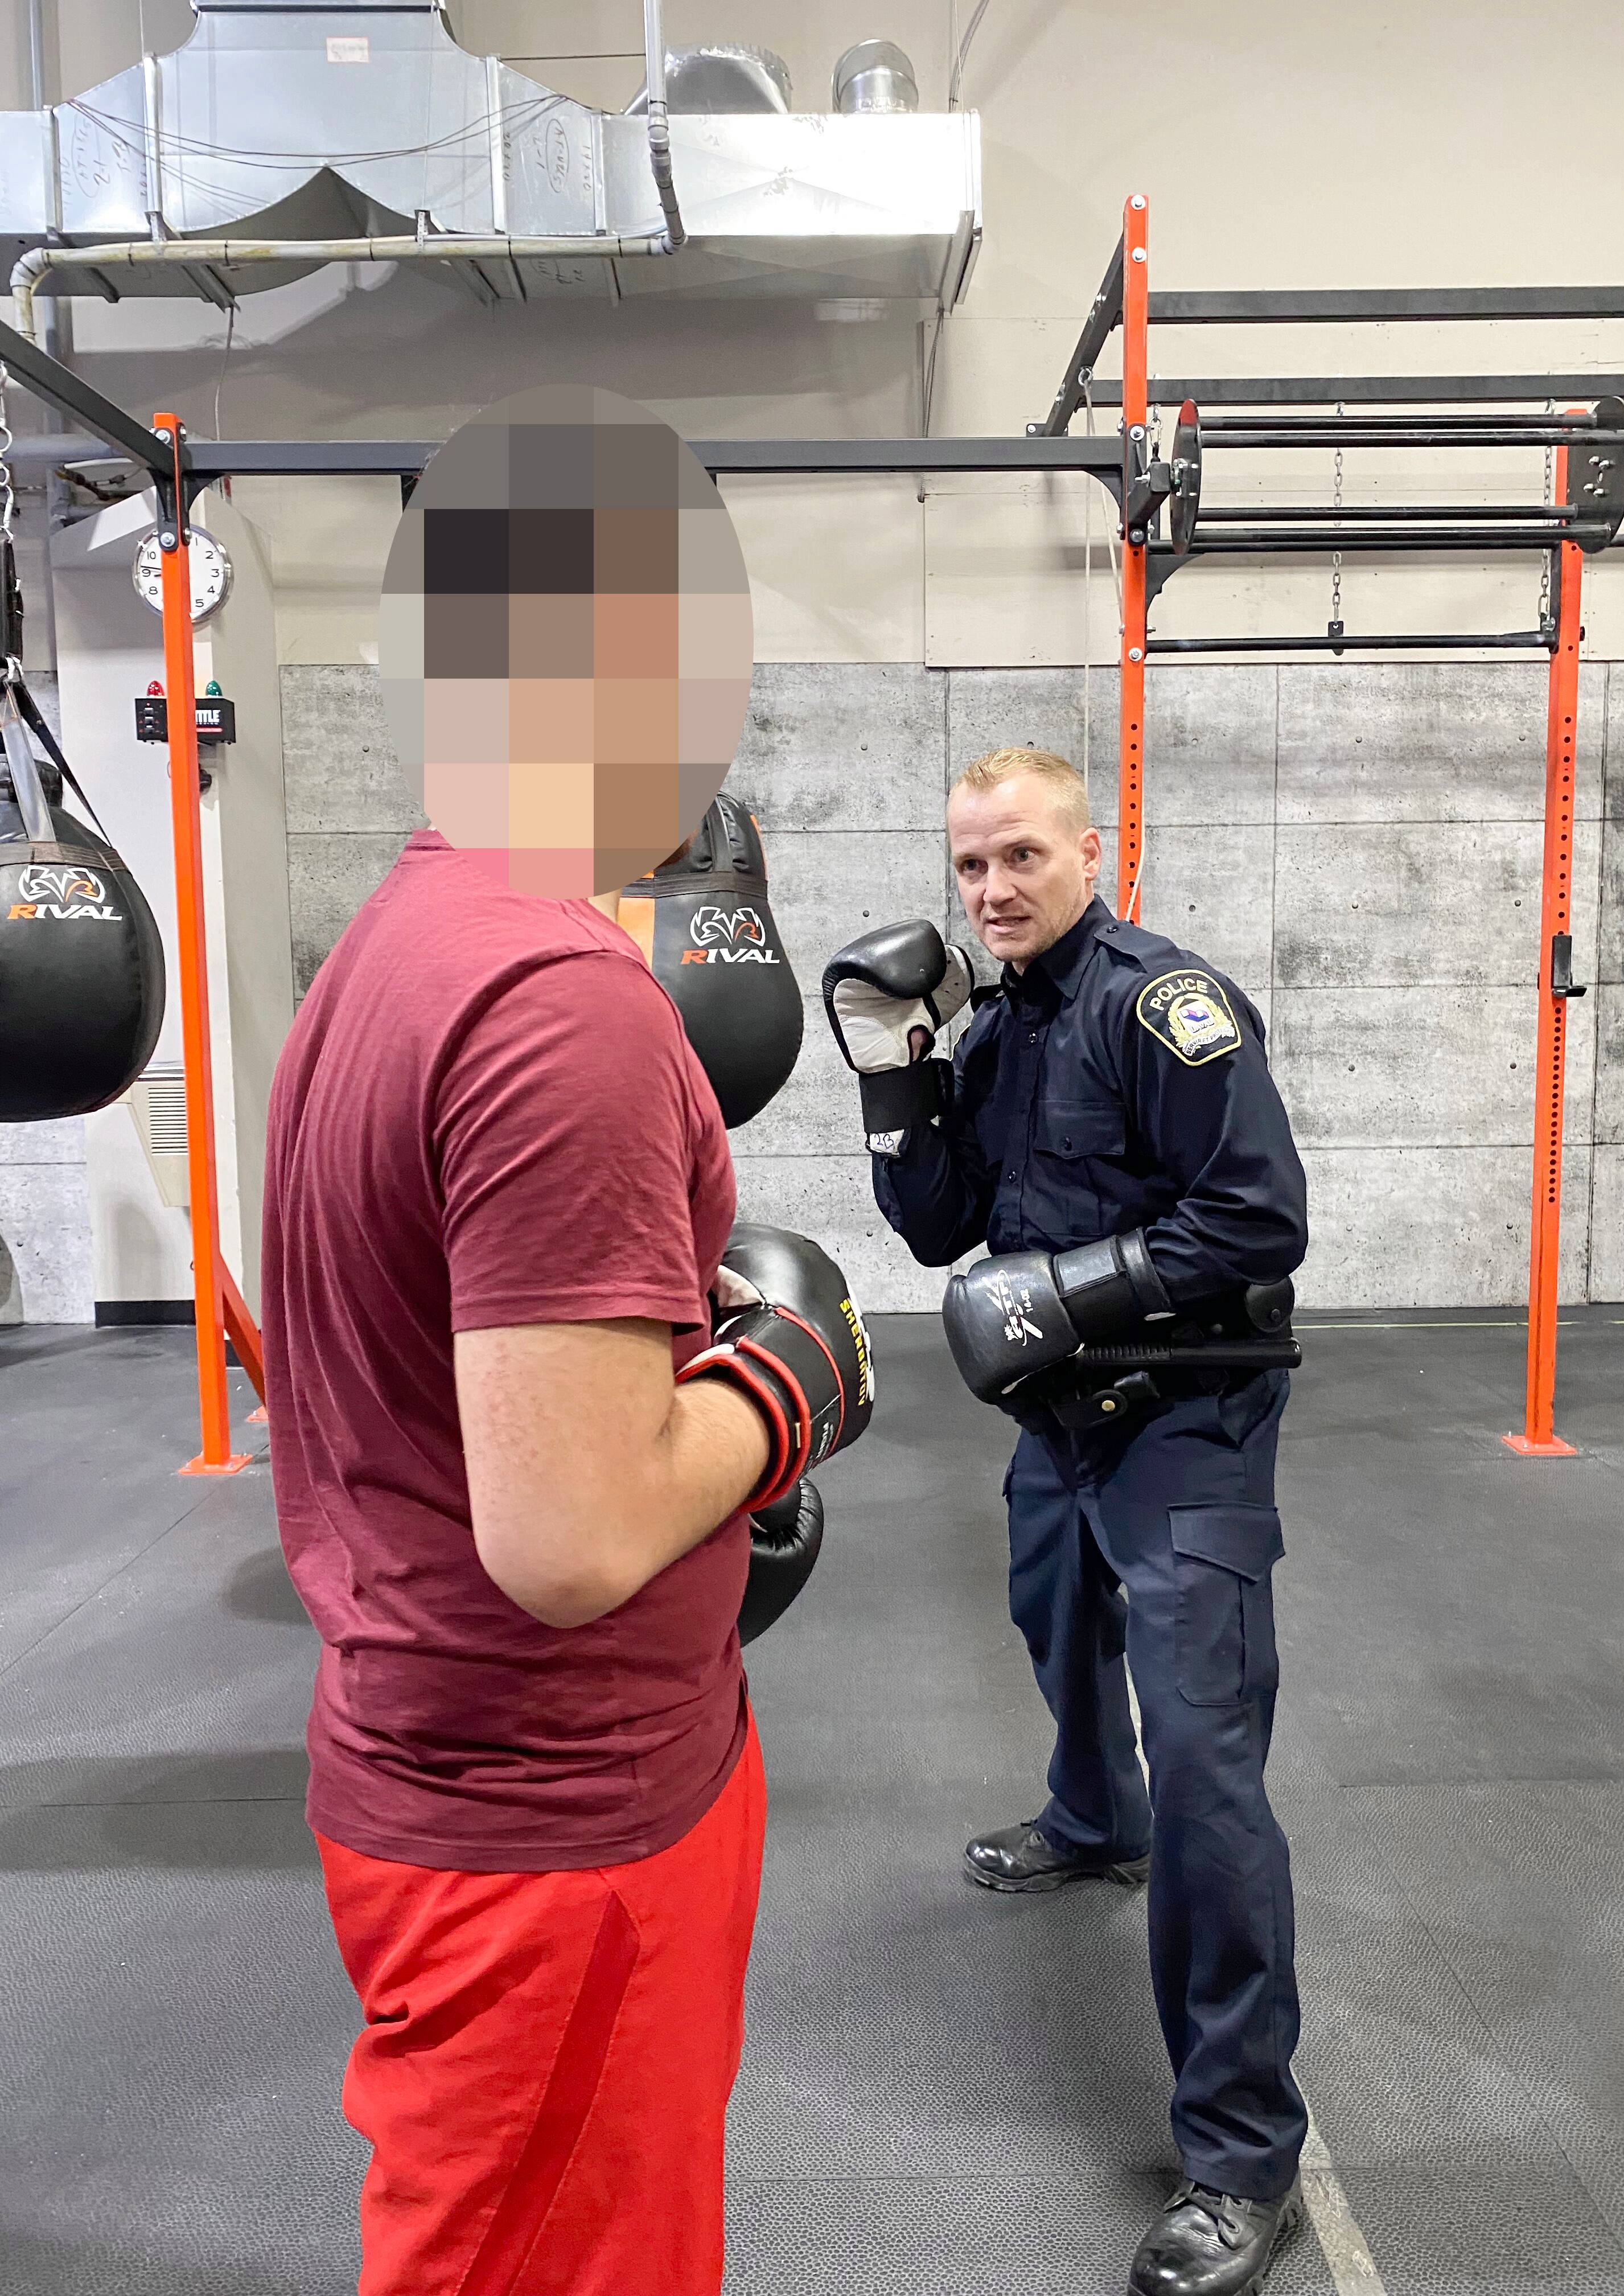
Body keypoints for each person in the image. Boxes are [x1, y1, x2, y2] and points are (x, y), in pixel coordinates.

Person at [261, 823, 870, 2296]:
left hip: (478, 1762)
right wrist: (792, 1383)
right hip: (561, 1832)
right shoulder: (560, 1002)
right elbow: (575, 1536)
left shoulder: (404, 930)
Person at [823, 749, 1309, 2296]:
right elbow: (941, 1222)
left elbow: (1260, 1214)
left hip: (1188, 1424)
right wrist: (898, 1077)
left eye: (1021, 856)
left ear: (1090, 849)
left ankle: (1241, 2154)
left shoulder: (1162, 1006)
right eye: (969, 866)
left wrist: (1070, 1289)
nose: (992, 890)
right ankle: (1096, 1816)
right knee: (1051, 1623)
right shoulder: (996, 1028)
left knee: (1212, 1764)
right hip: (1061, 1426)